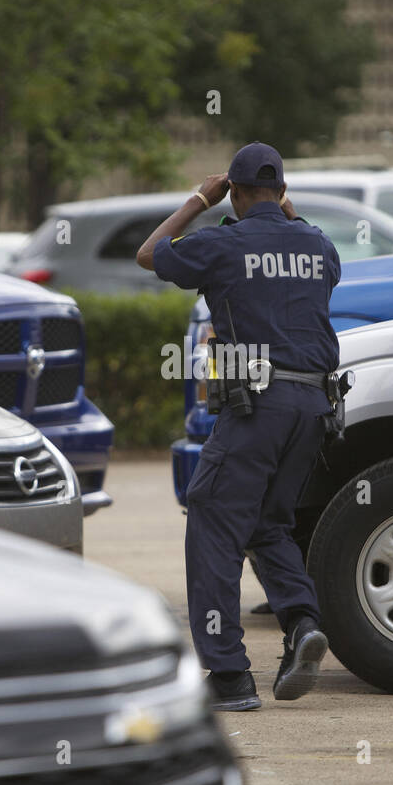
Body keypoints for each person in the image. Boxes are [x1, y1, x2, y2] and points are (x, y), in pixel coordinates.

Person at [136, 141, 341, 710]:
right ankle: (302, 624)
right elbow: (305, 242)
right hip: (314, 411)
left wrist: (202, 198)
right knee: (268, 525)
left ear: (237, 191)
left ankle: (228, 675)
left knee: (211, 521)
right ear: (281, 190)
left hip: (258, 407)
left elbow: (150, 254)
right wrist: (282, 207)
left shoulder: (224, 243)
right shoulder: (319, 245)